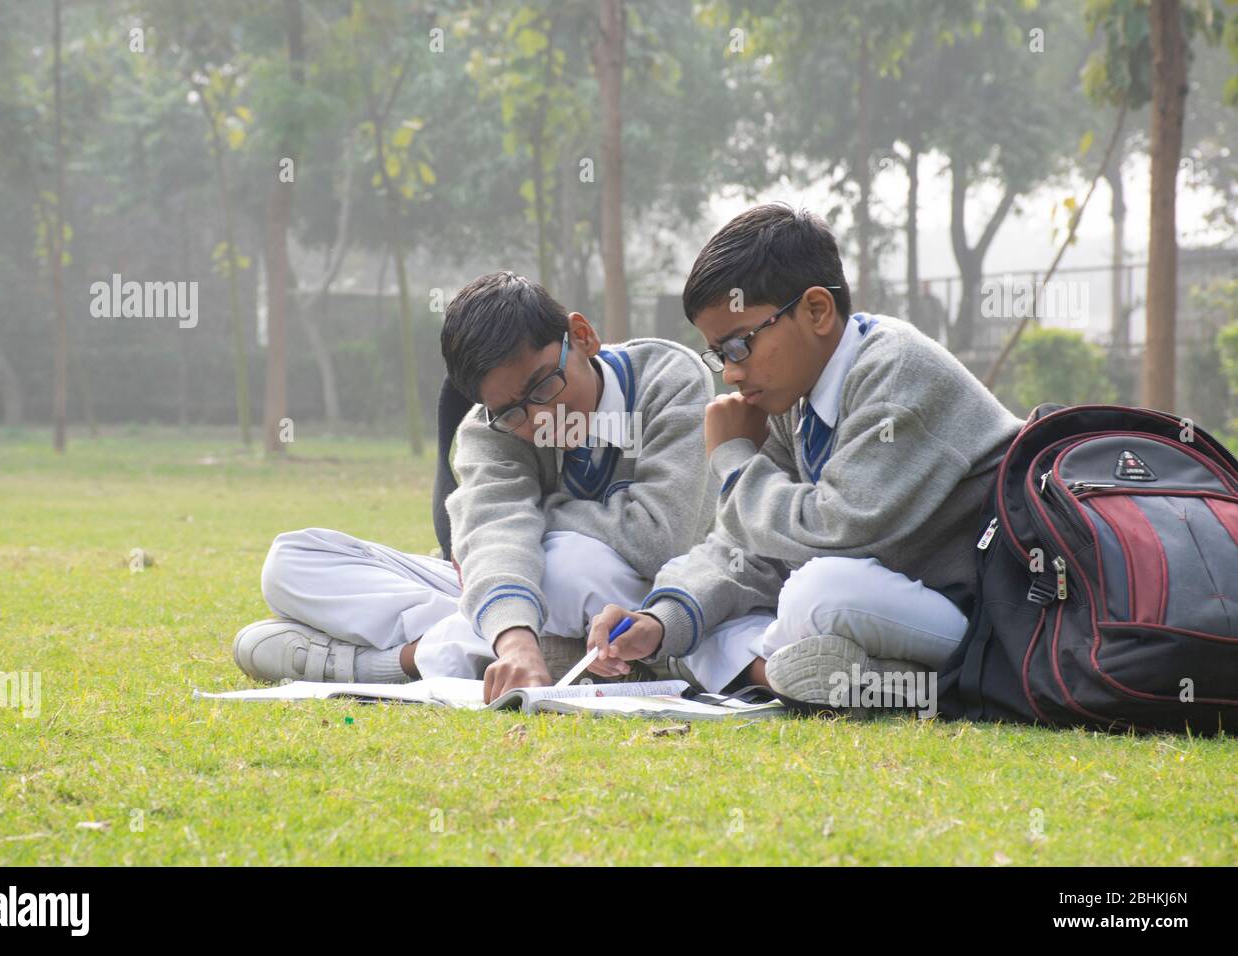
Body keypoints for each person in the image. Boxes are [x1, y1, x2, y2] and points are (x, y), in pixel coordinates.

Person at [232, 271, 770, 703]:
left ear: (581, 337)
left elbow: (660, 537)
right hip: (527, 591)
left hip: (646, 600)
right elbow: (493, 536)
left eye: (543, 385)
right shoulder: (491, 428)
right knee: (292, 559)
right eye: (513, 409)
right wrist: (512, 621)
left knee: (570, 560)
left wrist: (524, 525)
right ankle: (516, 649)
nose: (538, 418)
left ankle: (398, 664)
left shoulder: (668, 381)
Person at [585, 204, 1024, 711]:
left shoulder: (896, 371)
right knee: (699, 611)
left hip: (978, 621)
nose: (729, 373)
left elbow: (836, 532)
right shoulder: (792, 398)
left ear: (816, 310)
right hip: (887, 609)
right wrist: (664, 619)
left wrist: (733, 459)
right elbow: (750, 545)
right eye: (719, 354)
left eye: (738, 346)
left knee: (816, 589)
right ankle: (859, 677)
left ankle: (794, 674)